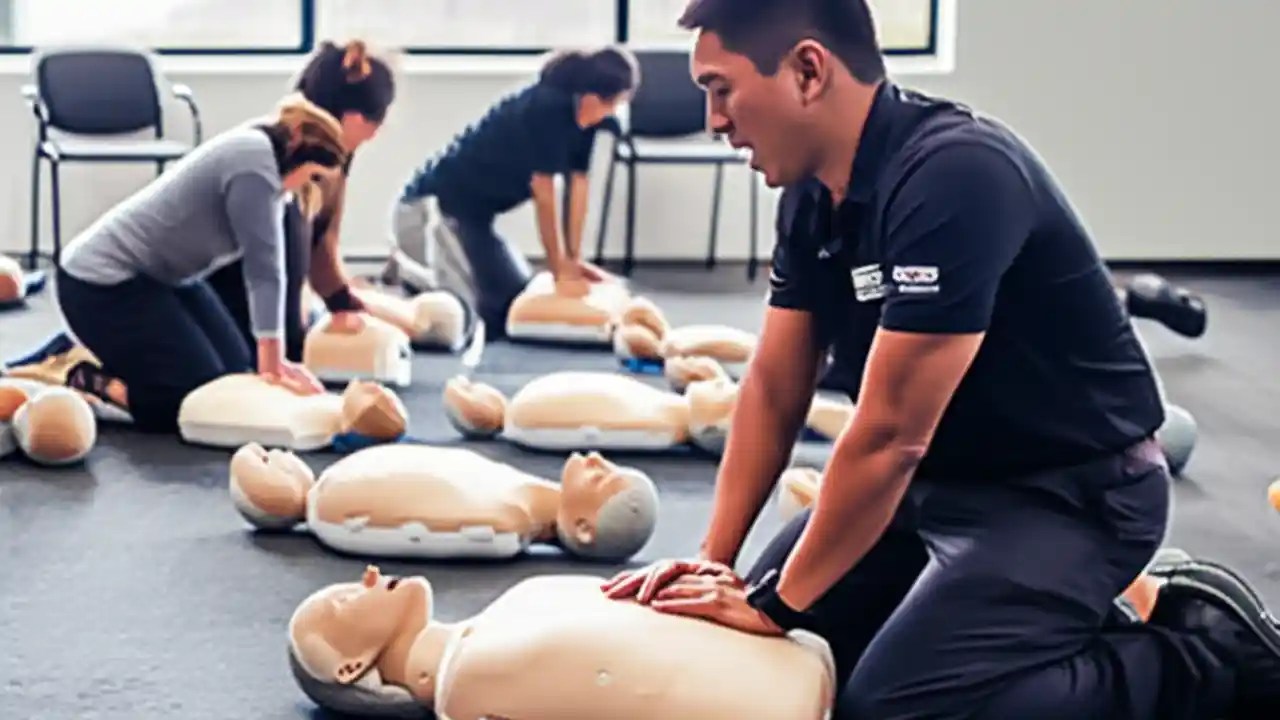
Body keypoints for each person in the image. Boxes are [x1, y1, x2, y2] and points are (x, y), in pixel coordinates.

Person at [600, 2, 1280, 719]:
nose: (713, 120)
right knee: (782, 653)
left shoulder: (955, 173)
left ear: (807, 70)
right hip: (933, 489)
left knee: (892, 707)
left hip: (1072, 497)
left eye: (721, 88)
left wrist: (773, 601)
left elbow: (892, 434)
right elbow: (774, 385)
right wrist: (718, 560)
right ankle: (1056, 618)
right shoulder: (810, 195)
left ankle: (1198, 660)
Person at [51, 95, 347, 433]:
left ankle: (122, 358)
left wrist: (273, 359)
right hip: (100, 284)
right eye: (312, 176)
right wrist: (276, 361)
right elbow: (265, 270)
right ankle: (88, 377)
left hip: (164, 278)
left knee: (233, 377)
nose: (307, 186)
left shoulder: (271, 168)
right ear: (299, 152)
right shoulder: (254, 164)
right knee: (190, 400)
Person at [384, 46, 639, 337]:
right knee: (465, 316)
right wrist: (559, 271)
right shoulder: (547, 107)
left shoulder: (590, 120)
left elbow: (578, 187)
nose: (614, 111)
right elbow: (545, 195)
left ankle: (418, 270)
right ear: (593, 97)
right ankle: (408, 273)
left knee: (511, 299)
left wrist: (574, 261)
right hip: (430, 210)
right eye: (615, 102)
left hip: (474, 219)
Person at [206, 39, 398, 362]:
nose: (375, 134)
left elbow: (323, 254)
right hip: (226, 303)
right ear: (351, 117)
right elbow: (274, 273)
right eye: (375, 122)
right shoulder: (279, 162)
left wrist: (352, 308)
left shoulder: (335, 160)